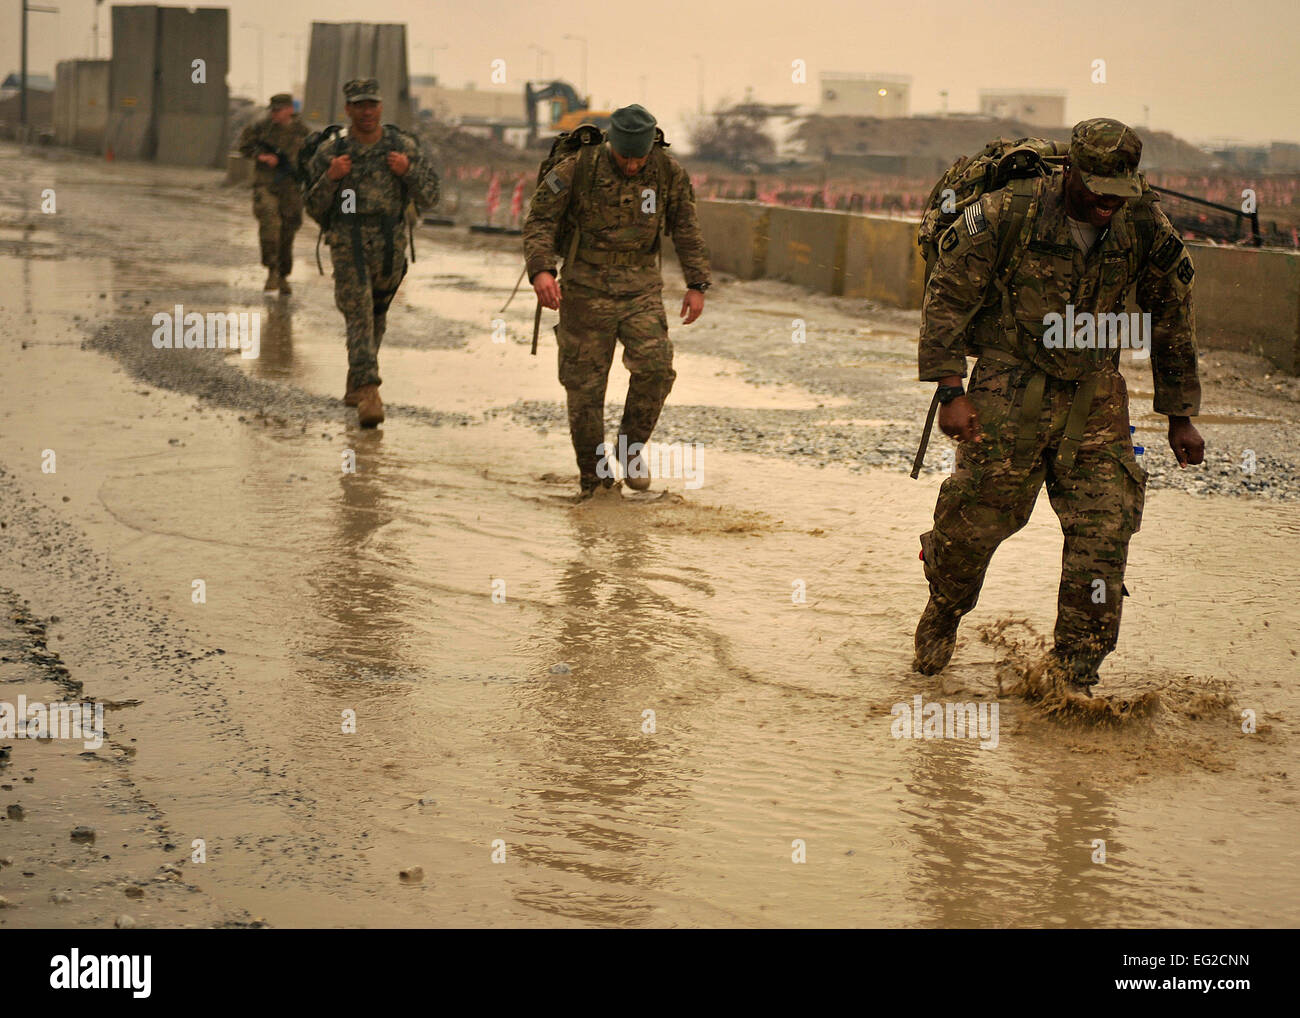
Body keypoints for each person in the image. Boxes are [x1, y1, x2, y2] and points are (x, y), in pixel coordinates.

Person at [914, 118, 1205, 696]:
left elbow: (1171, 312)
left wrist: (1179, 414)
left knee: (1104, 533)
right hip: (1005, 386)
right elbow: (946, 298)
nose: (1106, 203)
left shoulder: (1141, 220)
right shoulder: (1006, 212)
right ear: (1070, 171)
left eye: (1117, 191)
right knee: (974, 526)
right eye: (1096, 187)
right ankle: (944, 610)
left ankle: (1074, 677)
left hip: (1097, 397)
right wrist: (951, 390)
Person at [522, 104, 711, 497]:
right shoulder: (579, 168)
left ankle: (631, 448)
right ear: (612, 146)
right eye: (624, 157)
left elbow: (686, 227)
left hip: (640, 288)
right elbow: (540, 219)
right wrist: (542, 270)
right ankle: (595, 481)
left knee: (657, 369)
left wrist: (697, 284)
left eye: (638, 158)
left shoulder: (666, 172)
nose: (630, 165)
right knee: (585, 387)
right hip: (585, 288)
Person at [303, 79, 439, 428]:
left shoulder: (402, 147)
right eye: (359, 105)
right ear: (347, 109)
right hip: (349, 243)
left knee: (376, 316)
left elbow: (431, 197)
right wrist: (331, 179)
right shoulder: (331, 153)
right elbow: (315, 208)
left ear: (381, 107)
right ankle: (369, 392)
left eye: (372, 104)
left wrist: (408, 172)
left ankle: (355, 382)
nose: (366, 111)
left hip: (390, 246)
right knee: (359, 314)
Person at [236, 93, 310, 294]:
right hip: (266, 184)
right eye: (273, 110)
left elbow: (312, 158)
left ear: (290, 110)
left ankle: (283, 275)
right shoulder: (261, 127)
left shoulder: (303, 131)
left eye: (278, 110)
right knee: (270, 225)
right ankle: (272, 270)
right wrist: (262, 156)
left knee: (288, 232)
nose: (274, 114)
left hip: (291, 189)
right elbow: (243, 146)